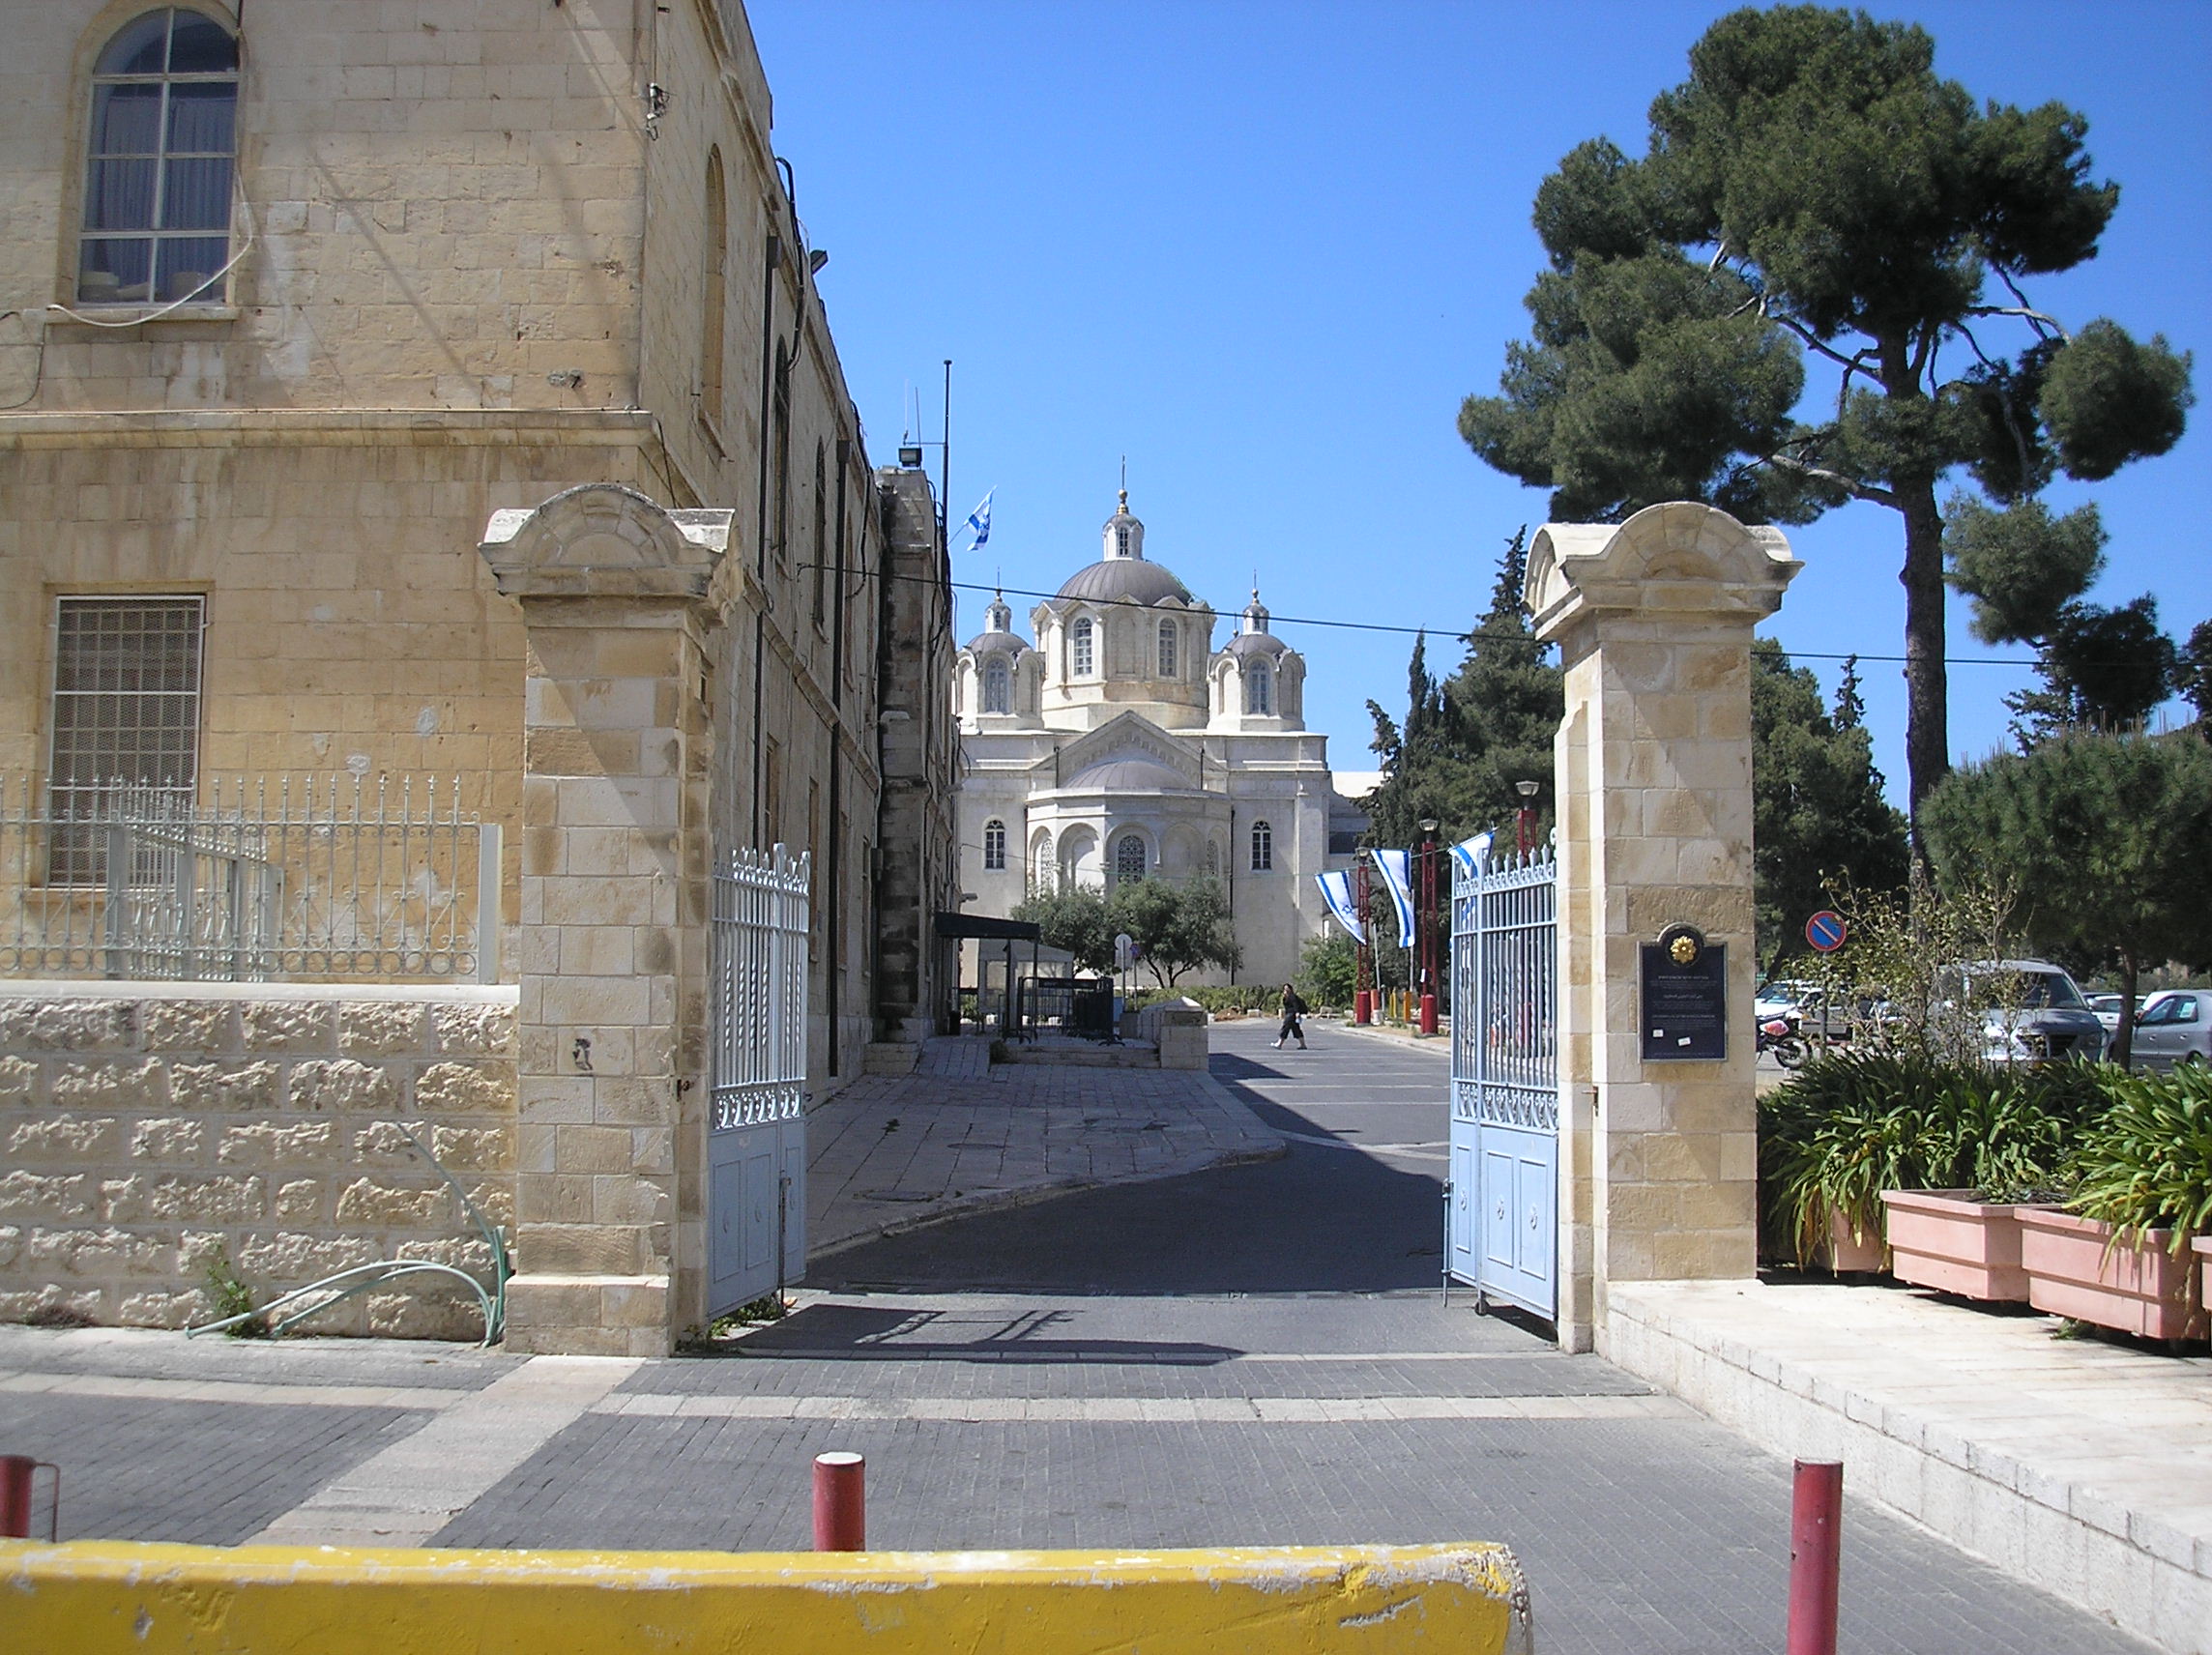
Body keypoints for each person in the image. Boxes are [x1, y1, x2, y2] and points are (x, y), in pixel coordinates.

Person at [1272, 981, 1307, 1050]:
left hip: (1292, 1014)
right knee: (1296, 1029)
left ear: (1290, 989)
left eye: (1287, 988)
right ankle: (1303, 1045)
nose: (1286, 990)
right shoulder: (1286, 997)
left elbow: (1295, 1005)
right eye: (1284, 989)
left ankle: (1279, 1044)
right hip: (1290, 1014)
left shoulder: (1292, 996)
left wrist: (1297, 1013)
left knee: (1285, 1028)